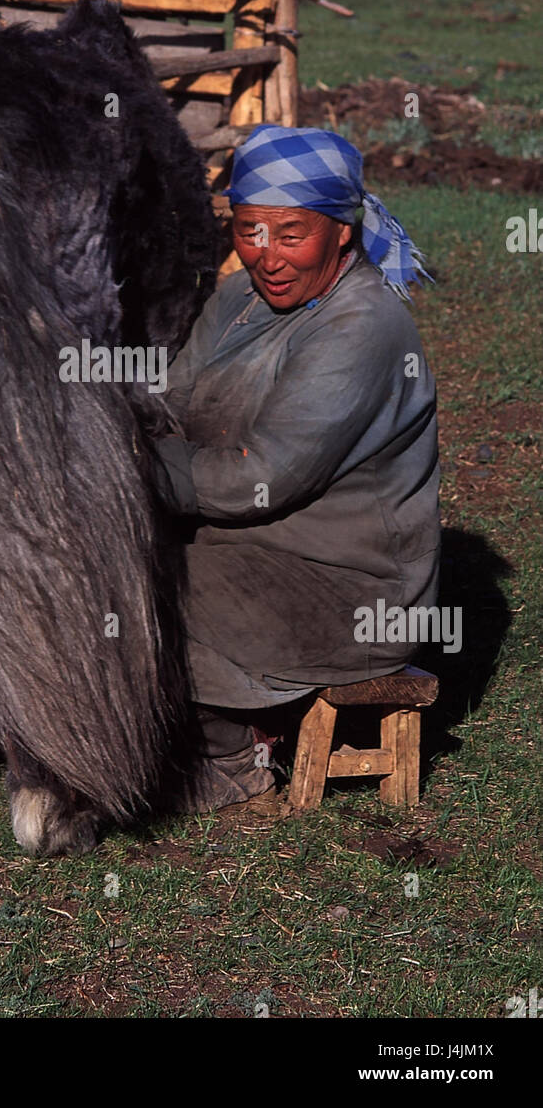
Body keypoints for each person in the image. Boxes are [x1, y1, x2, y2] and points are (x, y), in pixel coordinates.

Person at [153, 125, 441, 815]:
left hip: (345, 587)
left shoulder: (362, 327)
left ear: (341, 232)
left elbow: (263, 477)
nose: (266, 256)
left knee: (147, 581)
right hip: (247, 543)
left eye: (290, 234)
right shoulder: (233, 303)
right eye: (249, 231)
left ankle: (228, 763)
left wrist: (126, 477)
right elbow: (166, 404)